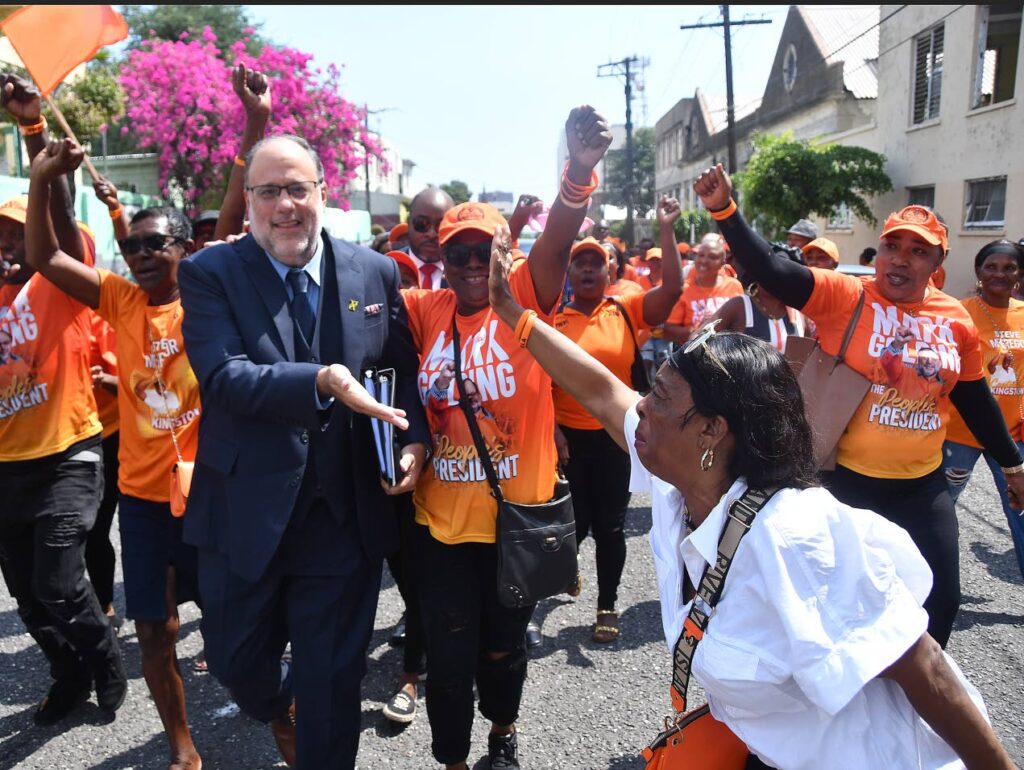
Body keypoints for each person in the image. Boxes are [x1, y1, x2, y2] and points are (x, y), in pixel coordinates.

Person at [484, 236, 1016, 767]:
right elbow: (601, 390)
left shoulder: (794, 534)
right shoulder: (681, 478)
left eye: (659, 397)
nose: (640, 407)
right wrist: (513, 313)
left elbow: (927, 670)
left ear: (713, 431)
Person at [693, 163, 1024, 647]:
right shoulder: (847, 297)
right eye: (892, 245)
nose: (900, 259)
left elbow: (974, 399)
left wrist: (1013, 466)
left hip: (921, 488)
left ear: (938, 265)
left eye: (918, 251)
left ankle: (911, 702)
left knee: (940, 600)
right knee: (837, 599)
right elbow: (772, 269)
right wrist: (724, 208)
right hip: (841, 483)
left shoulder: (955, 321)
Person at [177, 132, 429, 769]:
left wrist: (415, 439)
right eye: (268, 192)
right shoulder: (210, 273)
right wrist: (320, 380)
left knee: (332, 691)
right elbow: (224, 376)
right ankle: (277, 696)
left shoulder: (373, 270)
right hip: (245, 513)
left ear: (323, 192)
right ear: (251, 200)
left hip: (343, 521)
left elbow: (401, 369)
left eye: (298, 188)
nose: (284, 205)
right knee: (236, 665)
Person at [401, 104, 611, 770]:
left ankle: (503, 733)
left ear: (503, 252)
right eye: (456, 251)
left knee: (502, 649)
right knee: (449, 651)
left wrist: (577, 170)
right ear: (440, 256)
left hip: (513, 525)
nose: (469, 263)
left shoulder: (526, 293)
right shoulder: (425, 310)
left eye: (482, 250)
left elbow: (559, 237)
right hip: (440, 526)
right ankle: (455, 760)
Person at [26, 138, 204, 770]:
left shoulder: (209, 301)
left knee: (242, 634)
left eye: (158, 243)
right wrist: (43, 175)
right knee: (155, 633)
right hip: (147, 503)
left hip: (214, 497)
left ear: (186, 247)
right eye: (133, 246)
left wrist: (255, 122)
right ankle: (183, 749)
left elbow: (235, 221)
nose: (143, 255)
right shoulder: (120, 300)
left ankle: (277, 706)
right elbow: (44, 254)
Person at [0, 73, 127, 727]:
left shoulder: (59, 285)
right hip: (6, 473)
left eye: (16, 238)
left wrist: (32, 131)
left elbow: (62, 222)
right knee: (26, 598)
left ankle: (105, 663)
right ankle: (68, 675)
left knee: (58, 581)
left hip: (69, 458)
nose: (7, 249)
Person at [552, 195, 682, 643]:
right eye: (579, 263)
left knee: (610, 526)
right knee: (572, 524)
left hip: (616, 439)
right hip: (566, 440)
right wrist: (550, 429)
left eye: (597, 263)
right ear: (569, 273)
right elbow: (537, 379)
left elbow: (671, 295)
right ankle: (568, 571)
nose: (588, 270)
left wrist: (666, 229)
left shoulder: (625, 311)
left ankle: (606, 603)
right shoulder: (554, 319)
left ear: (611, 272)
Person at [944, 240, 1024, 581]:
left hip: (1012, 435)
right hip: (959, 434)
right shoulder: (957, 312)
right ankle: (924, 587)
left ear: (1019, 274)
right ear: (978, 271)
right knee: (939, 509)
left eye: (1009, 267)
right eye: (991, 266)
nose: (999, 274)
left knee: (1021, 510)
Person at [704, 244, 806, 352]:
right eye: (766, 271)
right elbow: (698, 339)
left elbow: (809, 354)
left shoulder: (799, 311)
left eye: (779, 273)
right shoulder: (740, 306)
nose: (772, 278)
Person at [663, 233, 743, 345]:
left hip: (728, 354)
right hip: (693, 355)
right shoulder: (684, 290)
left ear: (723, 263)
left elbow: (742, 323)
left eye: (712, 257)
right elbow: (668, 332)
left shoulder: (734, 286)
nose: (704, 261)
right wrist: (700, 329)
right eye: (701, 255)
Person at [406, 186, 455, 290]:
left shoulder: (467, 274)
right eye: (422, 224)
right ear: (408, 223)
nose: (432, 234)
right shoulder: (389, 270)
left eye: (441, 226)